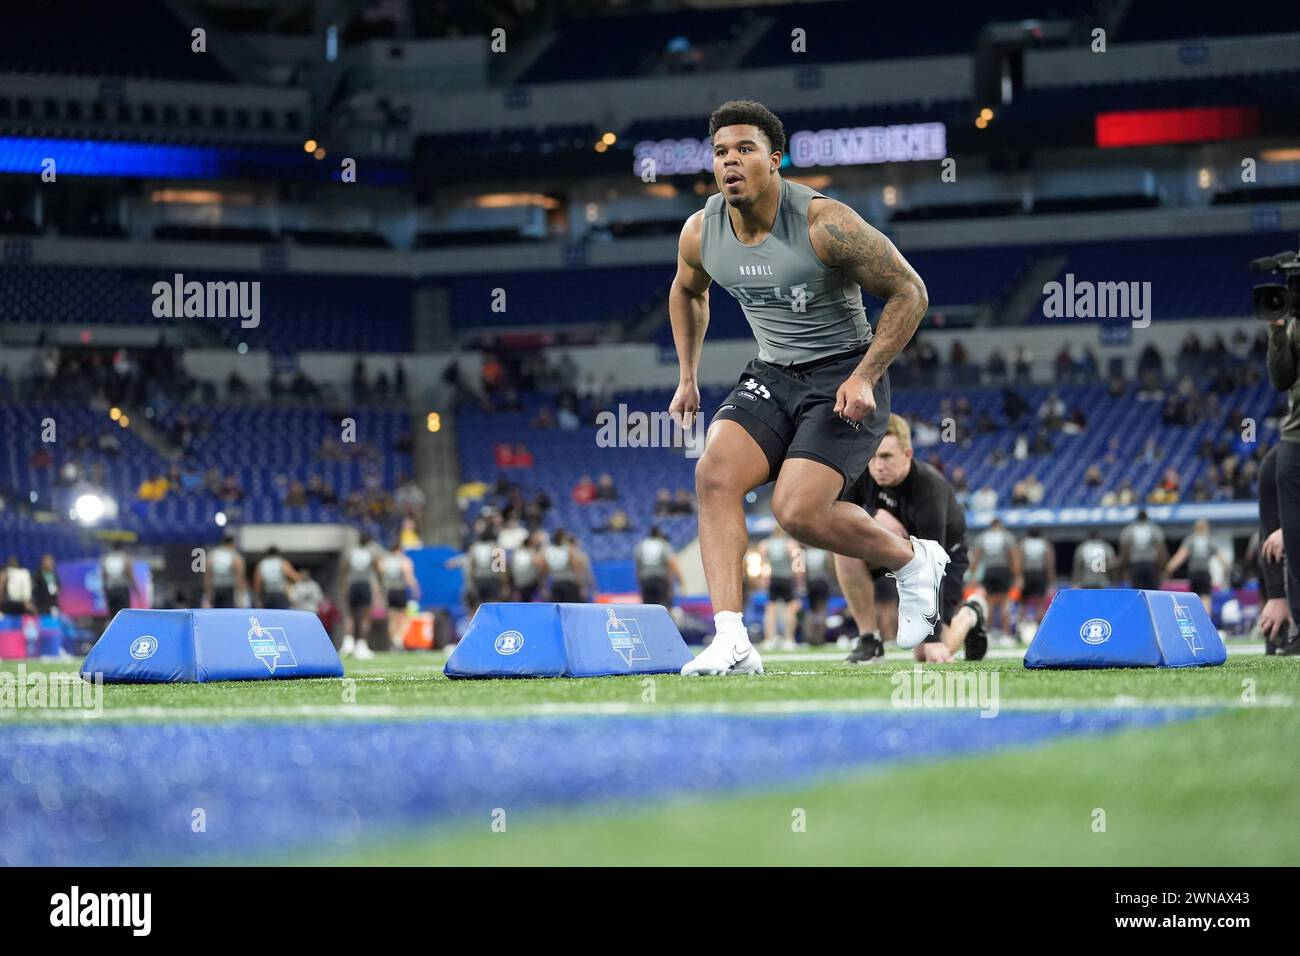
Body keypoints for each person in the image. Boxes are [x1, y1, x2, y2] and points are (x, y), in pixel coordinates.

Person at [666, 100, 945, 676]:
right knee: (714, 475)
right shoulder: (700, 231)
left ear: (775, 159)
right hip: (770, 374)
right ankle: (731, 640)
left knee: (796, 512)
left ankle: (914, 560)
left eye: (745, 150)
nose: (731, 162)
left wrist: (866, 374)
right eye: (721, 152)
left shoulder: (825, 223)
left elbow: (910, 292)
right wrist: (688, 375)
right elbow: (688, 291)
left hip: (842, 375)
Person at [835, 415, 988, 663]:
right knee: (844, 545)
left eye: (886, 456)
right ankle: (868, 640)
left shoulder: (929, 488)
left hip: (943, 558)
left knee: (926, 654)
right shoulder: (866, 473)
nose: (878, 465)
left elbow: (933, 567)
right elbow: (839, 518)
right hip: (900, 552)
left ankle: (971, 614)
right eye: (872, 456)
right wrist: (874, 515)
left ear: (907, 454)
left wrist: (932, 640)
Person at [1266, 310, 1300, 649]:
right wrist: (1277, 330)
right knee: (1267, 471)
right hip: (1295, 435)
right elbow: (1281, 379)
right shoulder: (1293, 323)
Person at [969, 518, 1019, 638]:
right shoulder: (1007, 536)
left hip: (989, 570)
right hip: (1003, 569)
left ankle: (988, 633)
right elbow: (1012, 557)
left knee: (989, 603)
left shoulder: (983, 537)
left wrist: (973, 576)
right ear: (1000, 525)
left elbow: (976, 558)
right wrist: (1017, 575)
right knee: (1004, 604)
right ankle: (1006, 635)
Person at [337, 534, 381, 659]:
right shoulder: (371, 554)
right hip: (365, 585)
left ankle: (348, 643)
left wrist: (342, 587)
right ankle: (361, 646)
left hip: (352, 585)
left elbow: (343, 570)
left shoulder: (351, 553)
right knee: (365, 617)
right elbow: (378, 570)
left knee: (349, 615)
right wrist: (380, 586)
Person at [759, 526, 801, 650]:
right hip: (786, 579)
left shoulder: (765, 544)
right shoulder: (790, 543)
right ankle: (789, 639)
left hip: (773, 579)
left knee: (770, 610)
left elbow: (763, 564)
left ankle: (769, 639)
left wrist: (764, 580)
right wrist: (799, 582)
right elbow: (797, 565)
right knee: (790, 609)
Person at [1165, 518, 1216, 614]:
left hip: (1194, 573)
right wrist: (1228, 568)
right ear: (1207, 528)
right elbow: (1220, 557)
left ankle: (1196, 617)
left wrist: (1169, 567)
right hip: (1204, 572)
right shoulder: (1210, 540)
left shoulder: (1191, 539)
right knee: (1206, 597)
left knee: (1195, 597)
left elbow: (1181, 556)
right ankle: (1206, 619)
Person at [378, 539, 420, 651]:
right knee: (405, 617)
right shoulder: (404, 561)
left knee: (392, 618)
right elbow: (408, 576)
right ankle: (398, 639)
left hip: (389, 591)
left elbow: (381, 575)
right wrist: (415, 588)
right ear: (399, 549)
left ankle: (393, 641)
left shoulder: (384, 561)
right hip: (400, 590)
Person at [1118, 510, 1168, 591]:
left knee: (1137, 592)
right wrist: (1164, 568)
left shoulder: (1129, 529)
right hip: (1151, 564)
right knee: (1153, 591)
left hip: (1135, 564)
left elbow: (1124, 550)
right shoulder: (1154, 528)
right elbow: (1161, 549)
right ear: (1147, 518)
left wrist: (1123, 568)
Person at [634, 526, 681, 610]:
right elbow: (671, 562)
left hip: (646, 580)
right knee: (664, 606)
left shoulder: (641, 545)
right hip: (660, 580)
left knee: (647, 608)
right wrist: (677, 579)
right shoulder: (663, 544)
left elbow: (638, 564)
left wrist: (639, 580)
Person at [1018, 528, 1056, 629]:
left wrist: (1019, 577)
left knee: (1023, 603)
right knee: (1040, 603)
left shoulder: (1024, 544)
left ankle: (1021, 626)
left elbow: (1019, 562)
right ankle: (1039, 628)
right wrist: (1051, 582)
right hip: (1039, 574)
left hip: (1027, 574)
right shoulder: (1045, 544)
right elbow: (1049, 564)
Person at [800, 545, 834, 646]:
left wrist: (802, 584)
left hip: (811, 583)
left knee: (811, 611)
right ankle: (819, 637)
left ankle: (810, 636)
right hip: (822, 582)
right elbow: (830, 566)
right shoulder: (824, 551)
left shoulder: (805, 552)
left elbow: (801, 570)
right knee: (822, 610)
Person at [205, 532, 246, 609]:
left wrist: (208, 593)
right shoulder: (235, 555)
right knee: (228, 612)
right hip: (229, 589)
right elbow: (239, 576)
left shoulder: (213, 554)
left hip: (216, 588)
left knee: (216, 612)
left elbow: (208, 575)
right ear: (232, 543)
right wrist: (240, 595)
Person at [100, 542, 138, 619]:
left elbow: (104, 576)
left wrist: (105, 590)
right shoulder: (125, 558)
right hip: (122, 590)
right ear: (122, 547)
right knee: (124, 615)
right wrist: (136, 589)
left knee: (112, 616)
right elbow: (129, 574)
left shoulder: (106, 558)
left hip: (111, 590)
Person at [254, 545, 298, 610]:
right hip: (279, 594)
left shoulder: (262, 564)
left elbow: (257, 583)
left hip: (268, 595)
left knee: (268, 615)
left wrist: (257, 598)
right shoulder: (281, 562)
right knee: (281, 614)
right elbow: (293, 576)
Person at [509, 531, 546, 602]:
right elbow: (541, 566)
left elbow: (510, 568)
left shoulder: (516, 554)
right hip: (530, 583)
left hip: (519, 583)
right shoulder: (533, 553)